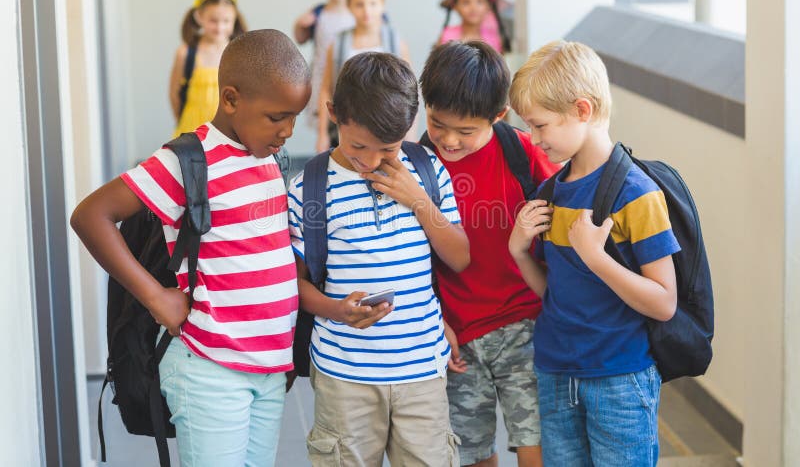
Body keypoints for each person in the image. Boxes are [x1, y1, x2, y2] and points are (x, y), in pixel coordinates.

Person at [71, 29, 311, 467]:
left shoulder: (269, 158)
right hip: (209, 367)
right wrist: (156, 297)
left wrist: (281, 353)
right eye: (278, 117)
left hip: (269, 367)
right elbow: (91, 216)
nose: (288, 131)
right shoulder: (186, 161)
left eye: (295, 117)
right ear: (232, 99)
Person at [288, 52, 469, 466]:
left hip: (422, 370)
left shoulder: (426, 171)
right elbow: (294, 284)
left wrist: (419, 201)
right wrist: (336, 309)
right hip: (343, 377)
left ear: (411, 127)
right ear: (333, 113)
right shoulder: (308, 188)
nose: (370, 161)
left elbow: (459, 257)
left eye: (388, 148)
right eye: (357, 146)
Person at [507, 40, 680, 466]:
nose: (533, 139)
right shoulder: (554, 191)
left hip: (618, 378)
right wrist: (520, 253)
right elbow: (558, 292)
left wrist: (597, 257)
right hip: (556, 372)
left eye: (540, 125)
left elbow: (664, 302)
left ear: (582, 110)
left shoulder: (637, 193)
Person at [419, 41, 558, 467]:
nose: (449, 140)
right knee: (473, 451)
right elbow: (411, 256)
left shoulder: (522, 153)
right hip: (459, 337)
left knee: (536, 445)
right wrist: (436, 321)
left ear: (499, 116)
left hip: (527, 325)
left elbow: (560, 230)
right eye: (438, 124)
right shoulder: (419, 166)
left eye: (466, 132)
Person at [315, 0, 410, 153]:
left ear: (383, 4)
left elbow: (409, 90)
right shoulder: (337, 44)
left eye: (373, 3)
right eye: (359, 4)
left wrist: (410, 133)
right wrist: (322, 134)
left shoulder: (395, 42)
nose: (367, 11)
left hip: (388, 129)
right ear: (349, 6)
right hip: (346, 130)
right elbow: (326, 89)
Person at [169, 0, 247, 137]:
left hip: (229, 134)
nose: (219, 27)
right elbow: (174, 94)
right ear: (199, 16)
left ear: (235, 19)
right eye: (213, 21)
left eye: (226, 21)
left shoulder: (240, 53)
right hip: (192, 132)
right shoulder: (185, 53)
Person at [293, 0, 355, 128]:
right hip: (323, 78)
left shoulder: (358, 11)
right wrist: (300, 25)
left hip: (351, 78)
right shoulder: (319, 12)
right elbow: (301, 38)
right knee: (325, 122)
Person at [438, 0, 508, 54]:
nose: (473, 7)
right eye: (466, 2)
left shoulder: (494, 39)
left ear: (488, 5)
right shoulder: (447, 36)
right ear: (455, 6)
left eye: (479, 1)